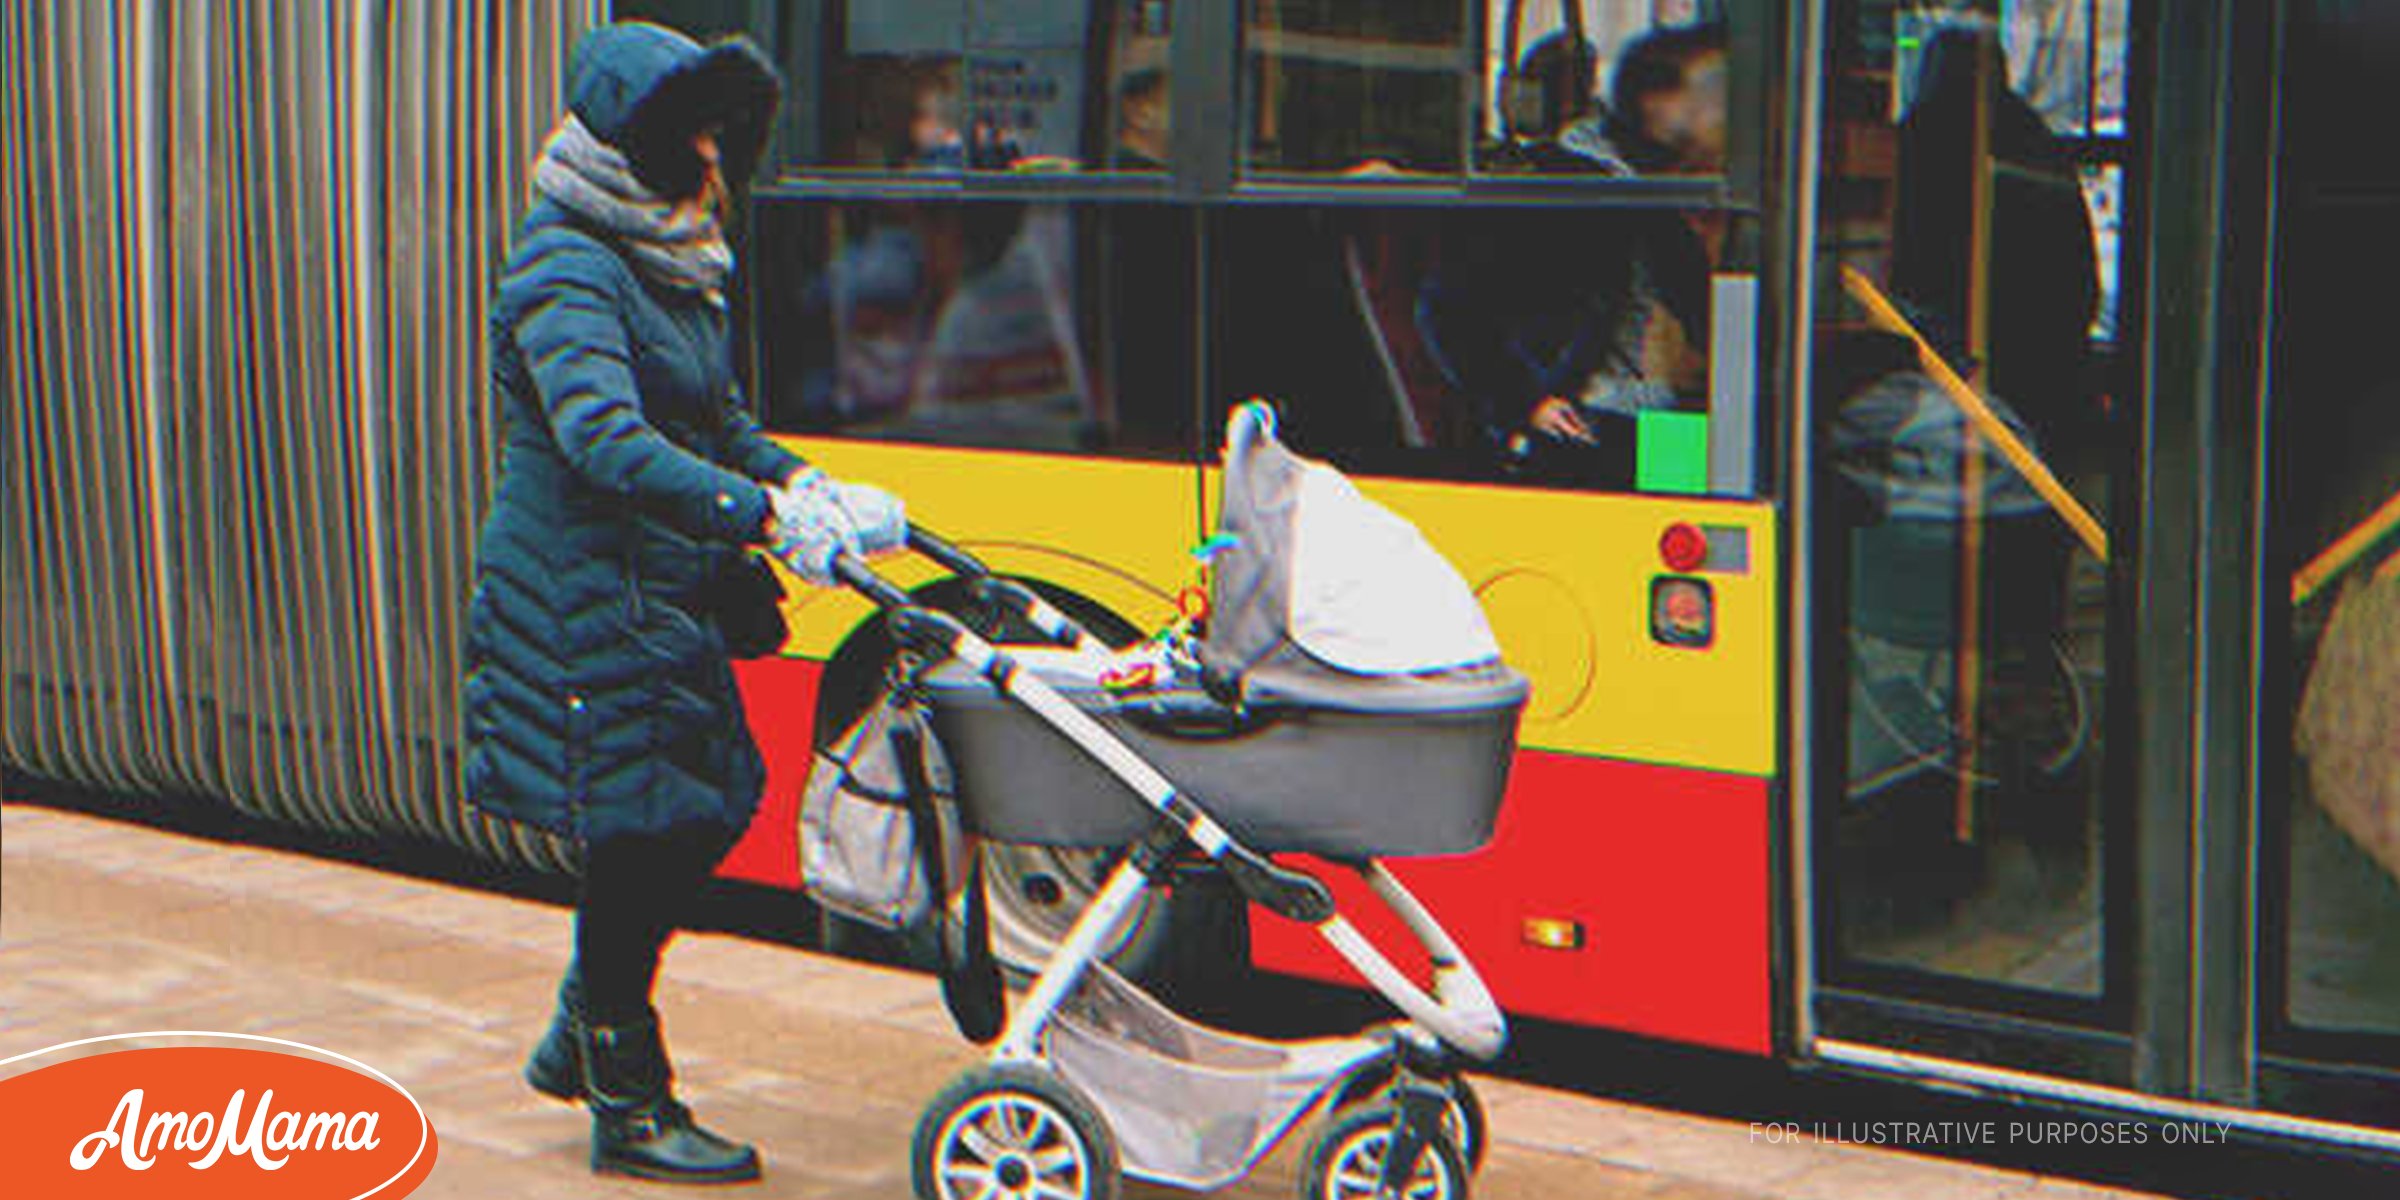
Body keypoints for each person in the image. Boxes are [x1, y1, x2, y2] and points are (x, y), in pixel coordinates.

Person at [461, 21, 905, 1185]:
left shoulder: (673, 257)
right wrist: (763, 519)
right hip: (581, 589)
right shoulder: (567, 265)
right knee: (644, 823)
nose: (714, 156)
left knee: (705, 807)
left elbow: (719, 421)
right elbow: (604, 439)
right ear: (638, 144)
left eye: (721, 132)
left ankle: (584, 1026)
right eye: (693, 135)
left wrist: (806, 484)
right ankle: (626, 1095)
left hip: (657, 585)